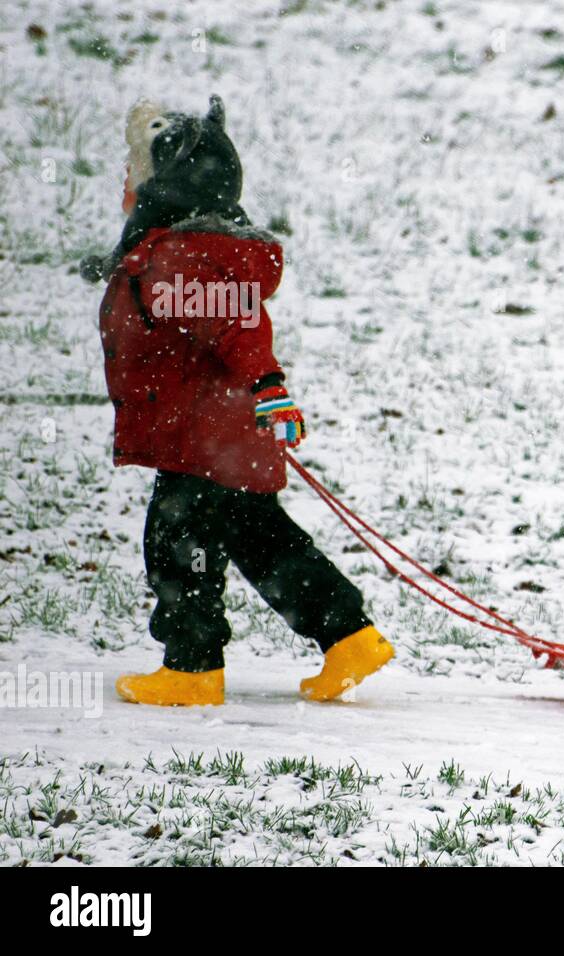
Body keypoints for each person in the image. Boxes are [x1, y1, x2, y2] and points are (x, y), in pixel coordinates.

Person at [80, 95, 393, 706]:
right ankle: (350, 638)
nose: (127, 181)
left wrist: (268, 387)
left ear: (167, 183)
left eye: (136, 171)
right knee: (262, 539)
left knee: (177, 545)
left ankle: (192, 669)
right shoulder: (179, 251)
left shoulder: (179, 257)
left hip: (203, 440)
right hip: (220, 435)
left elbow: (235, 324)